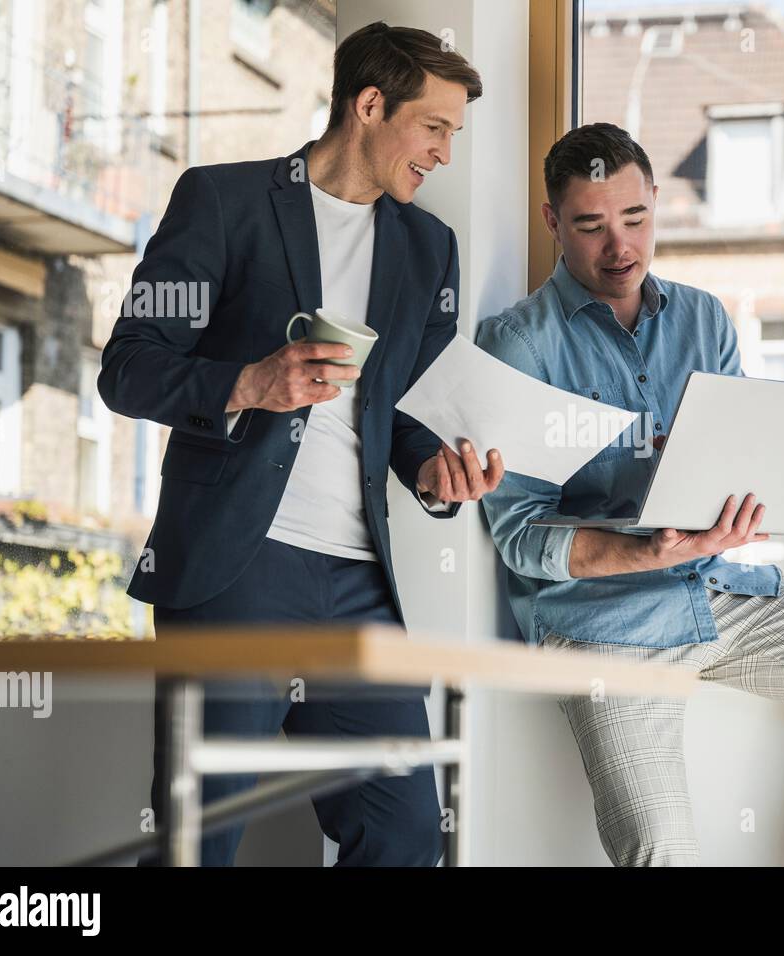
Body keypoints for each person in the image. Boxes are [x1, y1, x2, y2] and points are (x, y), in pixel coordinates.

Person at [475, 122, 784, 866]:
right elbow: (520, 535)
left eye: (635, 218)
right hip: (604, 626)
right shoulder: (519, 344)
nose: (619, 246)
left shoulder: (703, 318)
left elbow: (739, 452)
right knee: (662, 851)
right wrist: (637, 546)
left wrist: (737, 497)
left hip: (710, 585)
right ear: (552, 222)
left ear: (657, 202)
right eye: (591, 226)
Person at [99, 22, 503, 866]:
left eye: (455, 135)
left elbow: (409, 410)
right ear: (368, 105)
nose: (445, 155)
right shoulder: (223, 200)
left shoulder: (430, 248)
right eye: (435, 128)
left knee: (402, 835)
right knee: (197, 837)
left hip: (359, 585)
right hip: (237, 566)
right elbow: (129, 369)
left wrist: (438, 470)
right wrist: (249, 383)